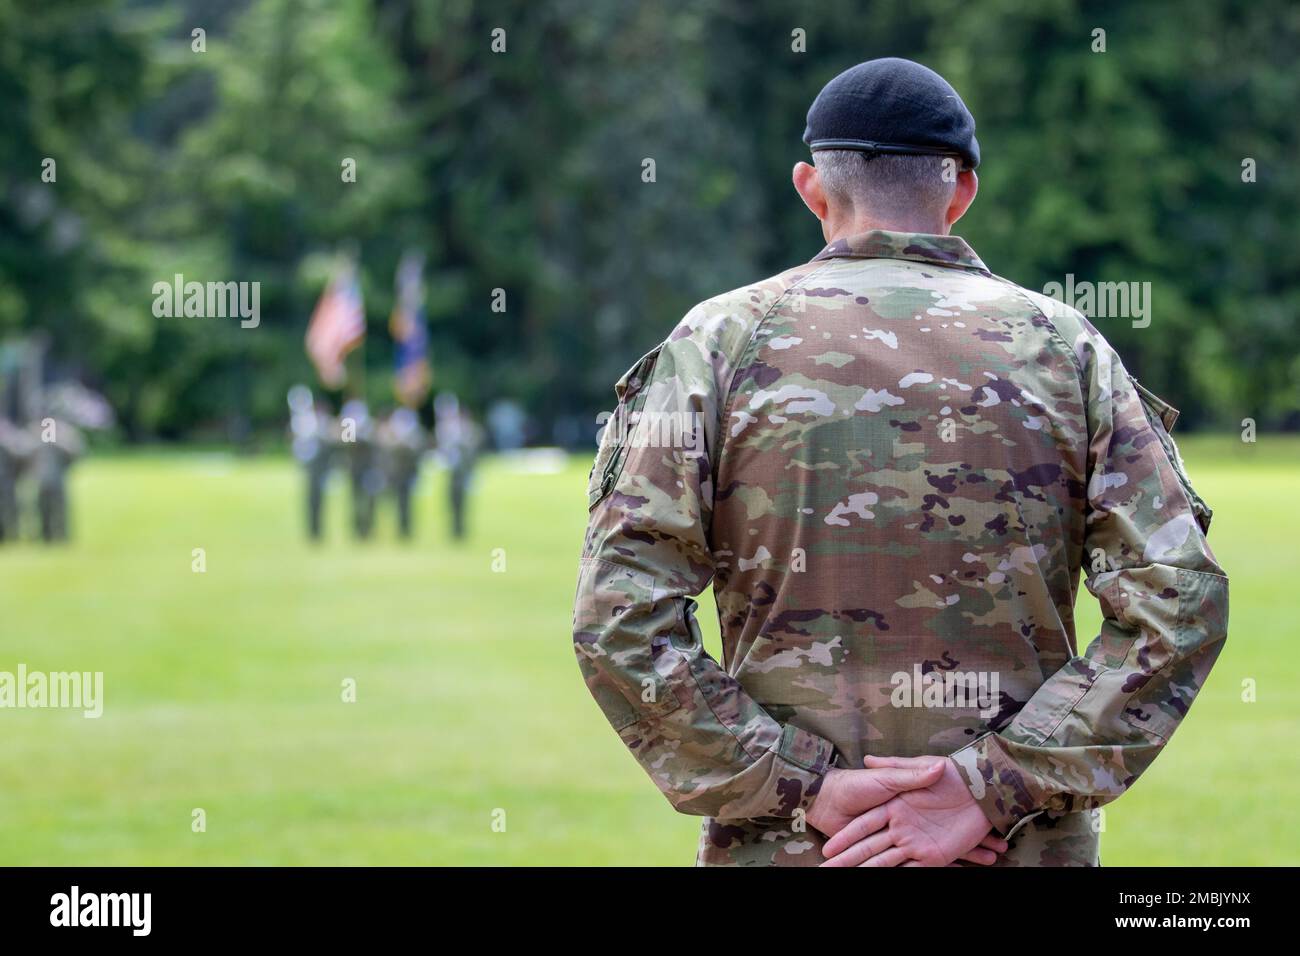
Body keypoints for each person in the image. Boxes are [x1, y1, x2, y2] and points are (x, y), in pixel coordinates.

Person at [571, 58, 1228, 867]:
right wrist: (992, 786)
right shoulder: (1067, 349)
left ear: (812, 189)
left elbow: (620, 617)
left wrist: (801, 787)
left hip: (800, 848)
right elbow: (1177, 602)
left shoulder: (716, 345)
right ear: (963, 190)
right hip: (1013, 848)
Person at [288, 385, 339, 541]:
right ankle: (313, 532)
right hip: (311, 465)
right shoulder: (303, 421)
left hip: (320, 465)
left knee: (318, 500)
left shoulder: (321, 422)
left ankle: (317, 532)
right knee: (313, 501)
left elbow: (342, 438)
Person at [434, 393, 481, 540]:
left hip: (463, 471)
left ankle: (461, 530)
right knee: (451, 502)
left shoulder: (468, 429)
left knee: (463, 504)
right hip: (451, 472)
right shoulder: (443, 429)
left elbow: (474, 450)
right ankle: (454, 530)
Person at [31, 414, 83, 542]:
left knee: (60, 510)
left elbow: (75, 453)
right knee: (43, 509)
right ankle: (46, 536)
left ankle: (62, 537)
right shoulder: (36, 432)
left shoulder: (65, 433)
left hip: (58, 479)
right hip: (42, 479)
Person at [378, 406, 427, 539]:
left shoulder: (414, 434)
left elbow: (417, 450)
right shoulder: (390, 434)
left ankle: (405, 530)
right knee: (388, 503)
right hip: (393, 474)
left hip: (408, 473)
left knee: (406, 504)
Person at [340, 398, 381, 540]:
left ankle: (368, 528)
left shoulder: (370, 425)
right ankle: (358, 529)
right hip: (354, 469)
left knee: (370, 500)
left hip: (369, 468)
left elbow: (374, 443)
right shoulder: (348, 428)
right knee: (355, 500)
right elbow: (347, 444)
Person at [0, 415, 34, 542]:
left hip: (7, 481)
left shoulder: (9, 444)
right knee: (10, 509)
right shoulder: (10, 443)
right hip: (7, 480)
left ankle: (11, 534)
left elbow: (20, 459)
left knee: (10, 509)